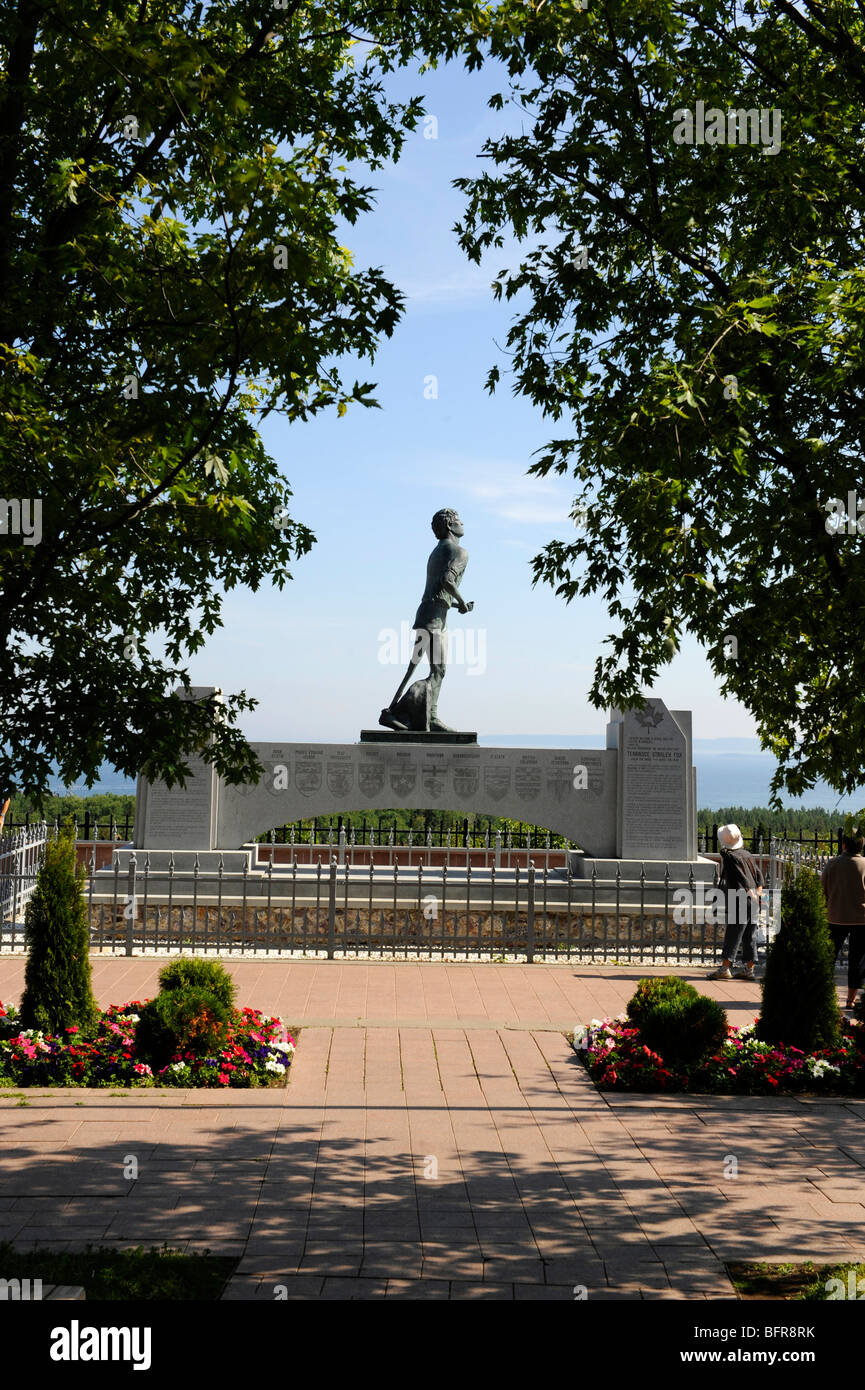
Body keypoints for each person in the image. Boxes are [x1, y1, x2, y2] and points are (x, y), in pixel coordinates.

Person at [380, 508, 473, 733]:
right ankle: (411, 714)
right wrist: (461, 603)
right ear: (450, 526)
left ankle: (403, 714)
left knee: (415, 668)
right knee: (438, 671)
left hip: (429, 613)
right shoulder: (459, 552)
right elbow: (447, 581)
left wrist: (455, 604)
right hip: (434, 620)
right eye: (459, 520)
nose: (463, 524)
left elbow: (436, 593)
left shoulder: (436, 552)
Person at [707, 823, 764, 981]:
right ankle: (749, 969)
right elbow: (759, 877)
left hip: (739, 898)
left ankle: (725, 968)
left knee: (733, 933)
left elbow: (742, 880)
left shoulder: (731, 858)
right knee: (749, 934)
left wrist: (749, 893)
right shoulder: (747, 855)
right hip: (753, 900)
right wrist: (757, 895)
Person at [820, 833, 865, 1011]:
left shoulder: (833, 864)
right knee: (857, 961)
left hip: (835, 916)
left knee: (828, 957)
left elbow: (823, 887)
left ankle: (823, 995)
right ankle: (851, 999)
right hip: (862, 919)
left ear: (844, 845)